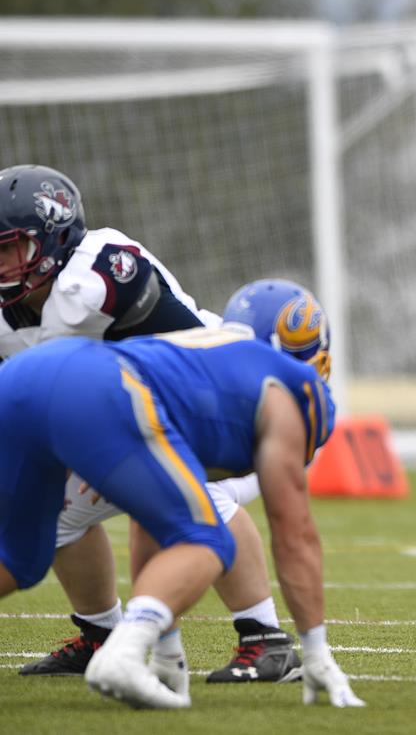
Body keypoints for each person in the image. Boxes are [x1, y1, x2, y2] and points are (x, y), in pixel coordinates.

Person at [0, 164, 302, 682]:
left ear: (52, 237)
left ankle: (267, 639)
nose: (1, 261)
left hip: (215, 404)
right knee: (49, 509)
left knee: (184, 487)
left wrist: (115, 446)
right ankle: (102, 637)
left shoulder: (103, 274)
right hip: (113, 416)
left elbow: (186, 365)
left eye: (9, 247)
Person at [0, 303, 361, 709]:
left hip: (20, 375)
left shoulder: (212, 368)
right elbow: (293, 534)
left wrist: (169, 655)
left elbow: (150, 521)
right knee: (208, 539)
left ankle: (138, 651)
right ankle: (122, 652)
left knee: (18, 559)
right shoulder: (296, 393)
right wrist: (315, 650)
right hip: (100, 388)